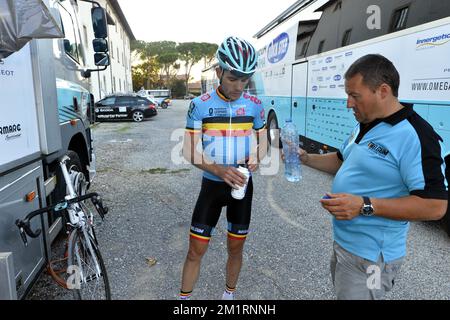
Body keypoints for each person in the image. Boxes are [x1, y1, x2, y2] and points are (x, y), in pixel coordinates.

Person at [294, 54, 448, 299]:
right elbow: (342, 160)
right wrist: (305, 158)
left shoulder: (416, 135)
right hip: (345, 247)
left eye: (355, 96)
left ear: (383, 91)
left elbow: (435, 206)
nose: (348, 104)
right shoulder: (366, 123)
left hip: (372, 259)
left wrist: (363, 205)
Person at [179, 36, 267, 300]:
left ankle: (228, 296)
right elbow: (188, 151)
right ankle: (184, 302)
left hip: (241, 184)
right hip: (213, 185)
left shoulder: (255, 106)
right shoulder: (200, 104)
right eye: (233, 78)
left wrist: (257, 156)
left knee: (235, 248)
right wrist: (219, 171)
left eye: (245, 79)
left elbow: (263, 142)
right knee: (195, 250)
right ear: (219, 72)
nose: (240, 86)